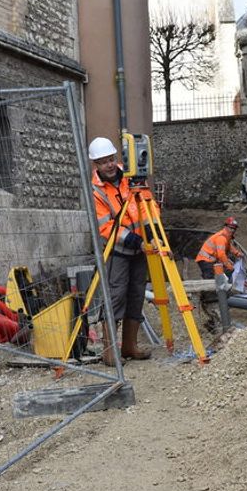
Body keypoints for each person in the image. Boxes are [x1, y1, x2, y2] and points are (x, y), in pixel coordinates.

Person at [88, 135, 152, 366]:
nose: (109, 164)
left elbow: (145, 205)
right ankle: (109, 352)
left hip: (140, 248)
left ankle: (129, 346)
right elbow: (105, 226)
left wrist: (151, 232)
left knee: (136, 295)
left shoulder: (131, 177)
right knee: (116, 297)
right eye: (103, 161)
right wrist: (135, 240)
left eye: (111, 159)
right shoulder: (96, 192)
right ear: (96, 164)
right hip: (118, 252)